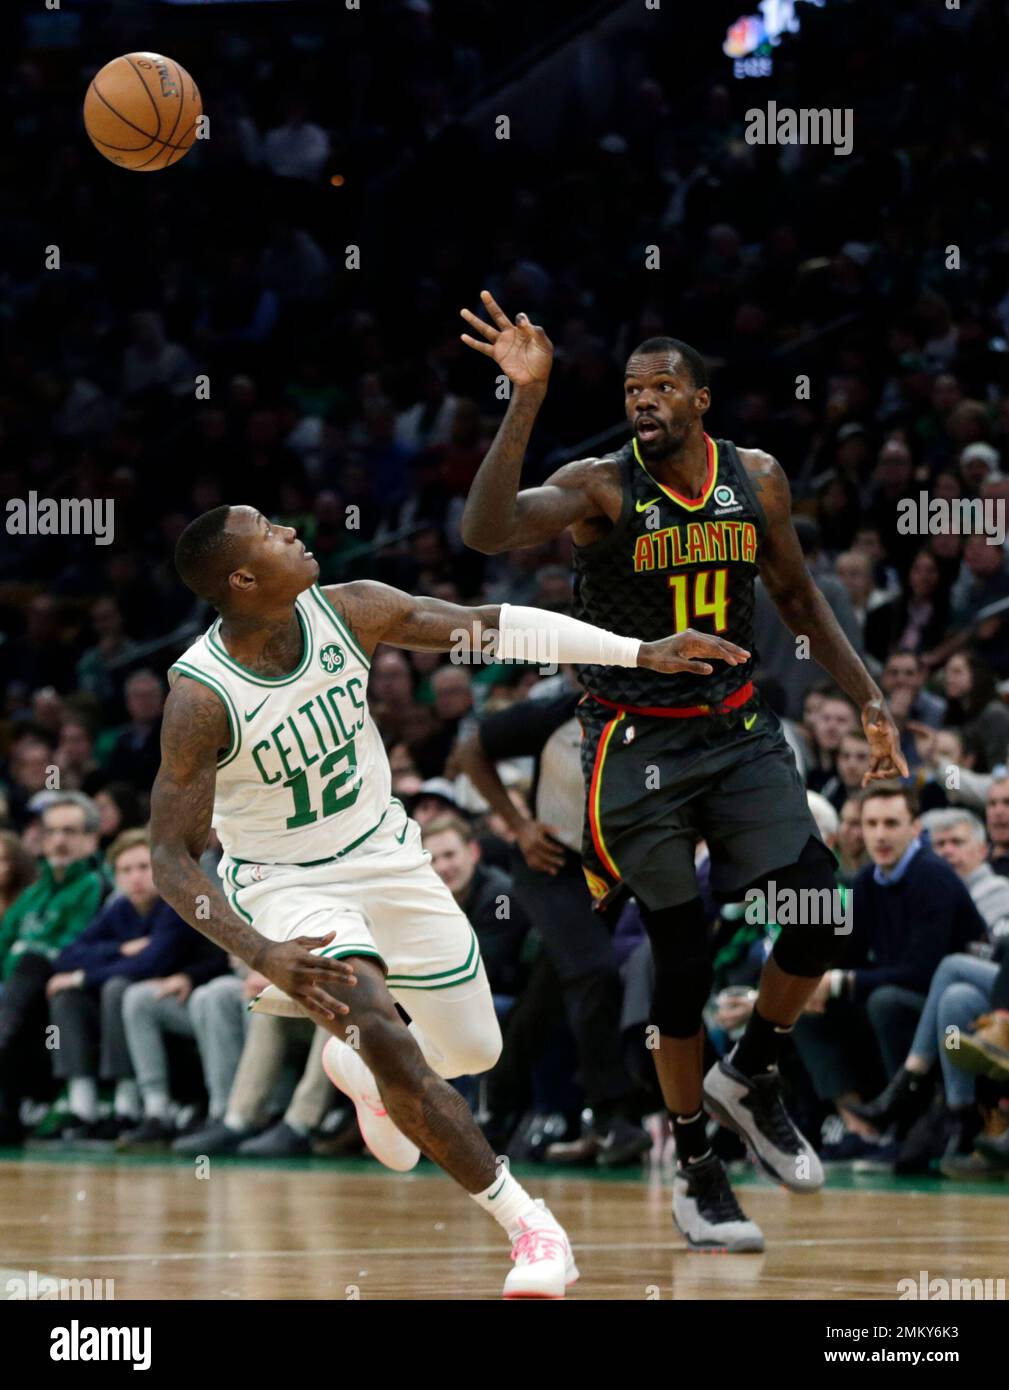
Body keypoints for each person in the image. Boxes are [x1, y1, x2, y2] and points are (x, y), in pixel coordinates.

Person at [150, 503, 718, 1298]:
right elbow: (170, 858)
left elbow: (487, 625)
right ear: (242, 578)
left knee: (472, 1051)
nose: (291, 530)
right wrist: (261, 951)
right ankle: (531, 1228)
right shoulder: (201, 697)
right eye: (271, 532)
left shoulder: (351, 609)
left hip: (388, 858)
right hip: (287, 883)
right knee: (383, 1026)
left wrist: (637, 651)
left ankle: (357, 1069)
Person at [459, 294, 905, 1252]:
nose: (644, 400)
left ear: (701, 400)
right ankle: (698, 1168)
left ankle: (752, 1070)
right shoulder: (599, 487)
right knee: (683, 961)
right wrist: (525, 400)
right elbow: (488, 531)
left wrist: (866, 696)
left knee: (821, 907)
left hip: (737, 728)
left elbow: (792, 594)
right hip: (633, 744)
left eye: (662, 386)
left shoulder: (759, 480)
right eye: (630, 388)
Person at [459, 673, 651, 1165]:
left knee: (551, 989)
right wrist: (518, 825)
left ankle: (498, 1104)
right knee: (594, 970)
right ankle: (612, 1117)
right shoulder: (554, 715)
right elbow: (470, 750)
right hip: (552, 865)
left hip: (619, 869)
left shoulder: (664, 721)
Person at [45, 828, 217, 1141]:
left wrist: (86, 974)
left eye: (143, 867)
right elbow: (67, 956)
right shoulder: (119, 909)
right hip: (143, 1000)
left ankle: (130, 1104)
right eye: (126, 870)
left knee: (118, 987)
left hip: (184, 998)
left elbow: (149, 964)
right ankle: (82, 1105)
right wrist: (118, 949)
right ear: (116, 877)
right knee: (66, 995)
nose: (135, 877)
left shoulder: (177, 904)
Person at [0, 793, 109, 1143]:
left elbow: (77, 950)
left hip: (74, 996)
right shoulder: (34, 892)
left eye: (70, 831)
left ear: (92, 839)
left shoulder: (99, 885)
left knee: (32, 962)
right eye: (52, 832)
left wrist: (28, 952)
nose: (59, 841)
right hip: (20, 999)